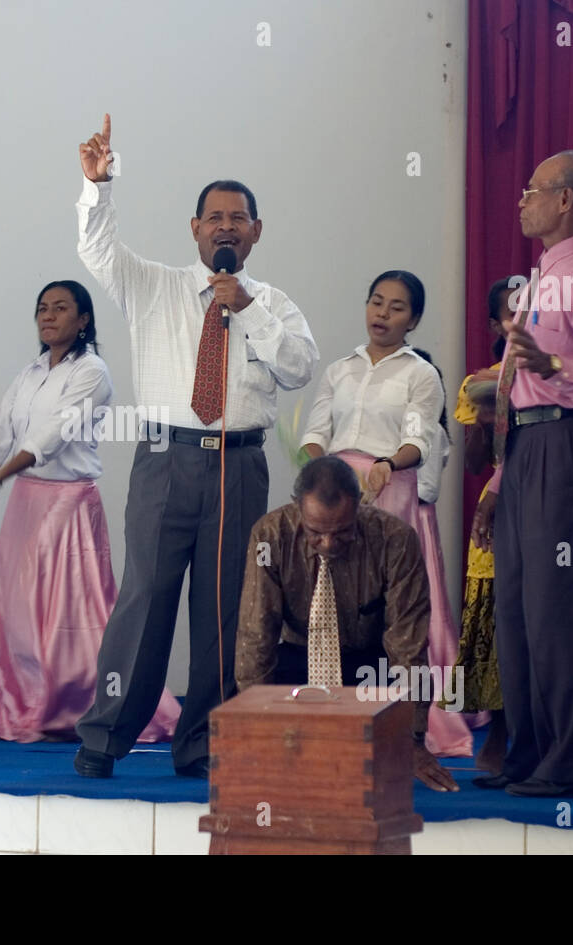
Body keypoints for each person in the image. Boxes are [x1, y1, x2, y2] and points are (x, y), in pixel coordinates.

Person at [71, 114, 319, 779]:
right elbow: (98, 252)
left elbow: (299, 367)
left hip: (238, 465)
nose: (226, 226)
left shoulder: (274, 303)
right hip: (164, 460)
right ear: (196, 229)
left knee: (224, 607)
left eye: (239, 218)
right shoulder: (151, 285)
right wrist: (99, 187)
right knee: (145, 596)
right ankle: (104, 736)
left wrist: (248, 308)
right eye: (214, 217)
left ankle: (204, 743)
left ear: (256, 232)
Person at [471, 151, 573, 797]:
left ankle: (572, 760)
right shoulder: (543, 275)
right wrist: (497, 479)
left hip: (567, 446)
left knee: (559, 610)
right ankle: (530, 753)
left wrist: (555, 367)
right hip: (526, 451)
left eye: (532, 190)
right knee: (516, 610)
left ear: (566, 200)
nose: (521, 200)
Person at [0, 280, 181, 743]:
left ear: (83, 319)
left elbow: (54, 434)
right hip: (26, 500)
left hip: (67, 503)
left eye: (61, 308)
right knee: (19, 610)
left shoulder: (93, 372)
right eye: (42, 308)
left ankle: (81, 709)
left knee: (74, 613)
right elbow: (0, 428)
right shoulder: (29, 373)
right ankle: (25, 710)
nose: (48, 316)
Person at [299, 271, 472, 757]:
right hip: (336, 491)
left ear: (413, 319)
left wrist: (384, 466)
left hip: (388, 487)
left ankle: (409, 717)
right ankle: (336, 706)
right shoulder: (340, 369)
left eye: (397, 307)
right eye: (377, 302)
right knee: (332, 603)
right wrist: (321, 472)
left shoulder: (421, 374)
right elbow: (314, 433)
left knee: (391, 604)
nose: (383, 314)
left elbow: (417, 440)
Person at [235, 455, 459, 792]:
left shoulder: (395, 540)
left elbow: (408, 646)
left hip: (368, 669)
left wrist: (410, 739)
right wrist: (259, 729)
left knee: (370, 773)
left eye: (341, 533)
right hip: (299, 662)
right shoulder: (269, 536)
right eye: (315, 533)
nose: (327, 544)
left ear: (359, 508)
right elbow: (256, 637)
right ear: (298, 509)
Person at [447, 277, 518, 773]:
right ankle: (499, 728)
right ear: (495, 324)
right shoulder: (481, 381)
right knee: (493, 622)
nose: (523, 318)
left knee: (532, 619)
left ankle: (534, 729)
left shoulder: (554, 374)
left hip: (539, 507)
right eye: (511, 312)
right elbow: (475, 464)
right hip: (495, 517)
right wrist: (485, 415)